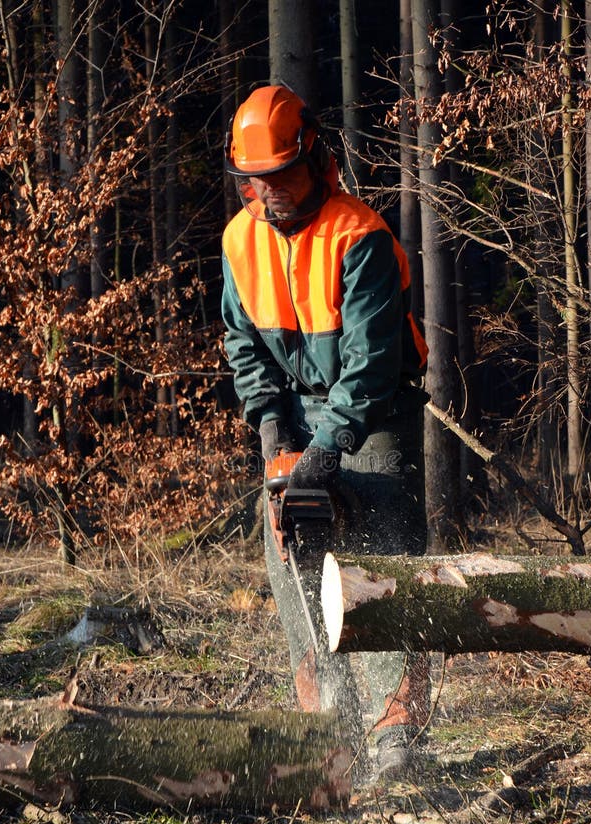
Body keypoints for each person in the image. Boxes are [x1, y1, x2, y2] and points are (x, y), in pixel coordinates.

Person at [221, 84, 430, 782]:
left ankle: (395, 729)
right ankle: (324, 722)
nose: (272, 193)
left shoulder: (358, 235)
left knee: (382, 553)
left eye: (284, 176)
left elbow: (372, 366)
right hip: (295, 410)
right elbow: (242, 343)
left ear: (314, 159)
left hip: (372, 414)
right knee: (287, 542)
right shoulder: (237, 241)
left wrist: (324, 453)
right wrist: (271, 422)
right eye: (259, 180)